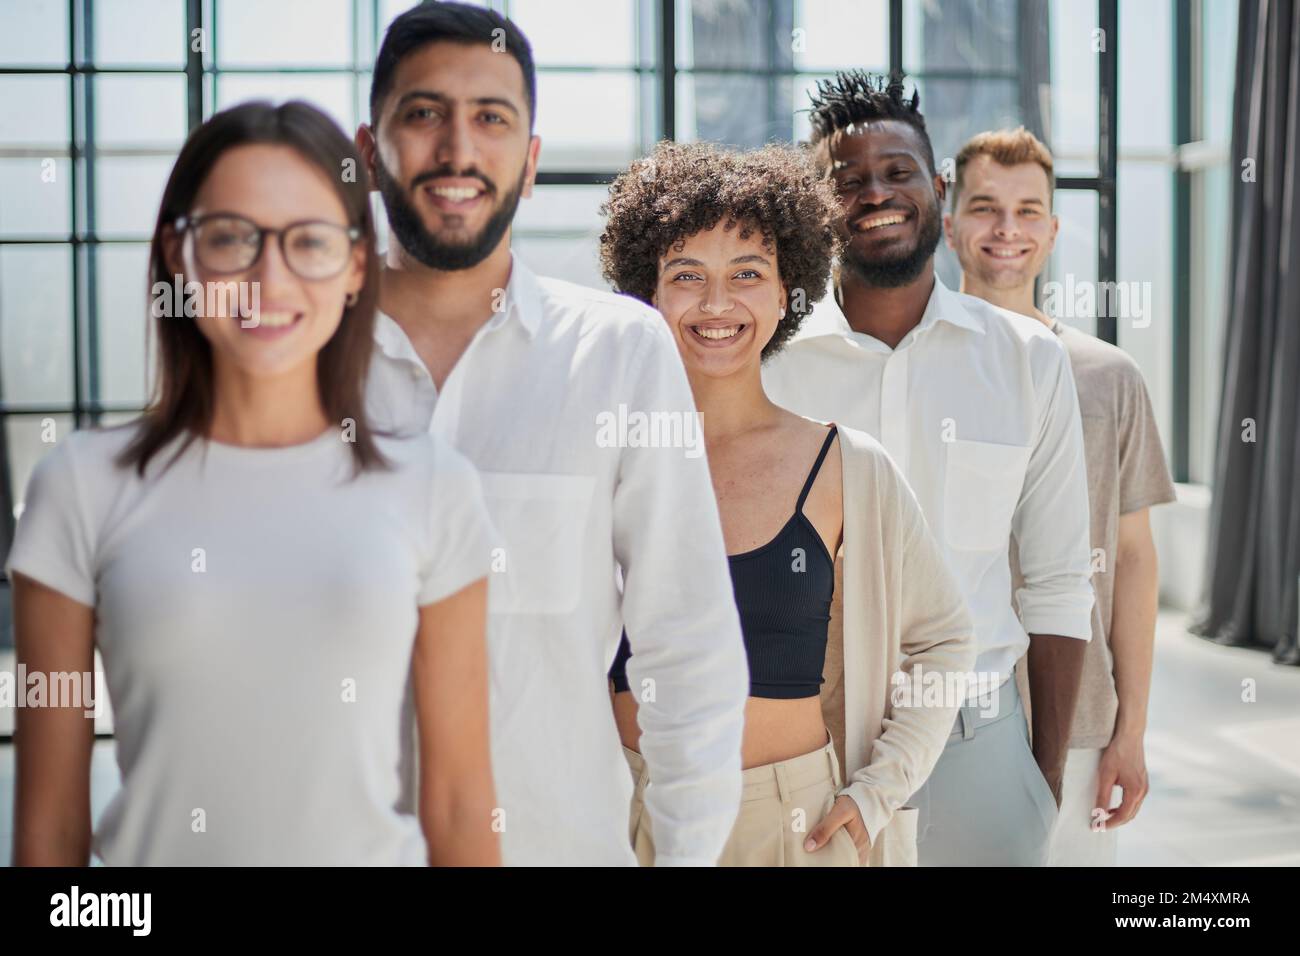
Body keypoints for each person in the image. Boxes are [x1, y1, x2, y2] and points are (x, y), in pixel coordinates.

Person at [7, 101, 499, 866]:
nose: (267, 279)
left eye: (308, 241)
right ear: (180, 254)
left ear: (354, 267)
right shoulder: (80, 486)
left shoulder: (434, 488)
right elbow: (47, 835)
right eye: (233, 237)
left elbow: (463, 805)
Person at [356, 2, 748, 865]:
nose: (458, 149)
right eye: (423, 114)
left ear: (530, 162)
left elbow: (689, 648)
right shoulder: (301, 363)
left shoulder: (616, 353)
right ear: (366, 151)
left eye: (491, 118)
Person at [601, 140, 975, 867]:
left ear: (786, 293)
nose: (717, 303)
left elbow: (944, 639)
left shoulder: (847, 468)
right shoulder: (604, 461)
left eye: (748, 273)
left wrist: (876, 792)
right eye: (687, 275)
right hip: (630, 813)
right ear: (647, 294)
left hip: (792, 821)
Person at [762, 71, 1096, 866]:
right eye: (847, 181)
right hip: (810, 741)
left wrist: (1039, 781)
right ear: (819, 206)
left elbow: (1057, 585)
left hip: (976, 741)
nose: (875, 192)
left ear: (937, 189)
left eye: (898, 172)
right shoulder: (771, 367)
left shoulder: (1027, 363)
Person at [945, 126, 1176, 866]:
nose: (1006, 229)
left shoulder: (1109, 377)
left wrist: (1130, 732)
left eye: (1027, 210)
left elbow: (1134, 562)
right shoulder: (911, 370)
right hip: (947, 722)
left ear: (1052, 228)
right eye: (984, 207)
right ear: (948, 224)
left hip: (1077, 721)